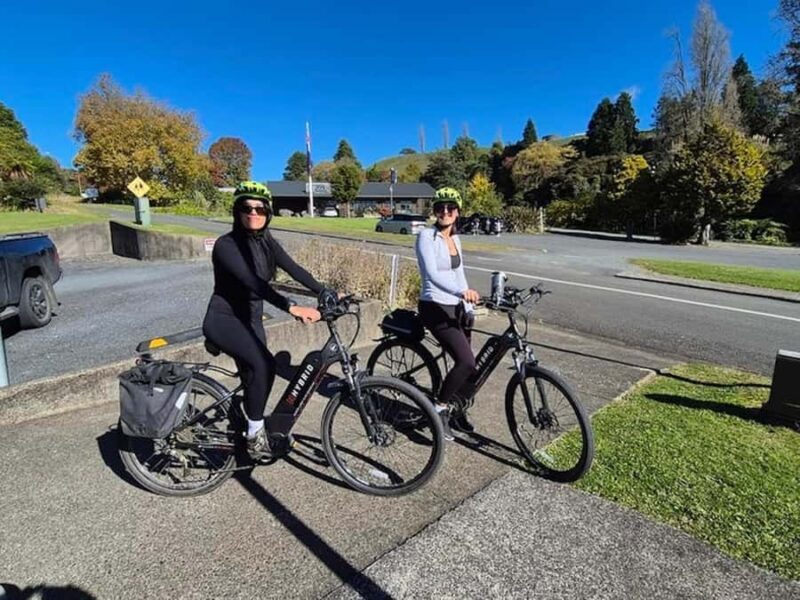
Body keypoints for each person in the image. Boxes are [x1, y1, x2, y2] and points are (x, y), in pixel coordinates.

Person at [202, 181, 326, 460]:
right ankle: (255, 434)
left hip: (252, 318)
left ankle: (248, 422)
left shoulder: (268, 242)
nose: (253, 213)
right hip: (225, 319)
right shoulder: (227, 245)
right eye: (247, 208)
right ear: (237, 211)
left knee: (259, 374)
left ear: (268, 212)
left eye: (260, 208)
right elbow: (252, 282)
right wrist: (289, 306)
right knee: (263, 365)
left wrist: (325, 291)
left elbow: (294, 268)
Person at [415, 187, 481, 436]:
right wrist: (460, 293)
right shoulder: (426, 236)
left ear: (457, 212)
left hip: (455, 306)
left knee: (470, 369)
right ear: (434, 211)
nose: (445, 212)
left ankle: (457, 410)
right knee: (466, 362)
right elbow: (431, 274)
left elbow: (458, 274)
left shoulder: (456, 239)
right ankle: (439, 407)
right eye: (440, 207)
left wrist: (467, 304)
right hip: (434, 305)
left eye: (450, 208)